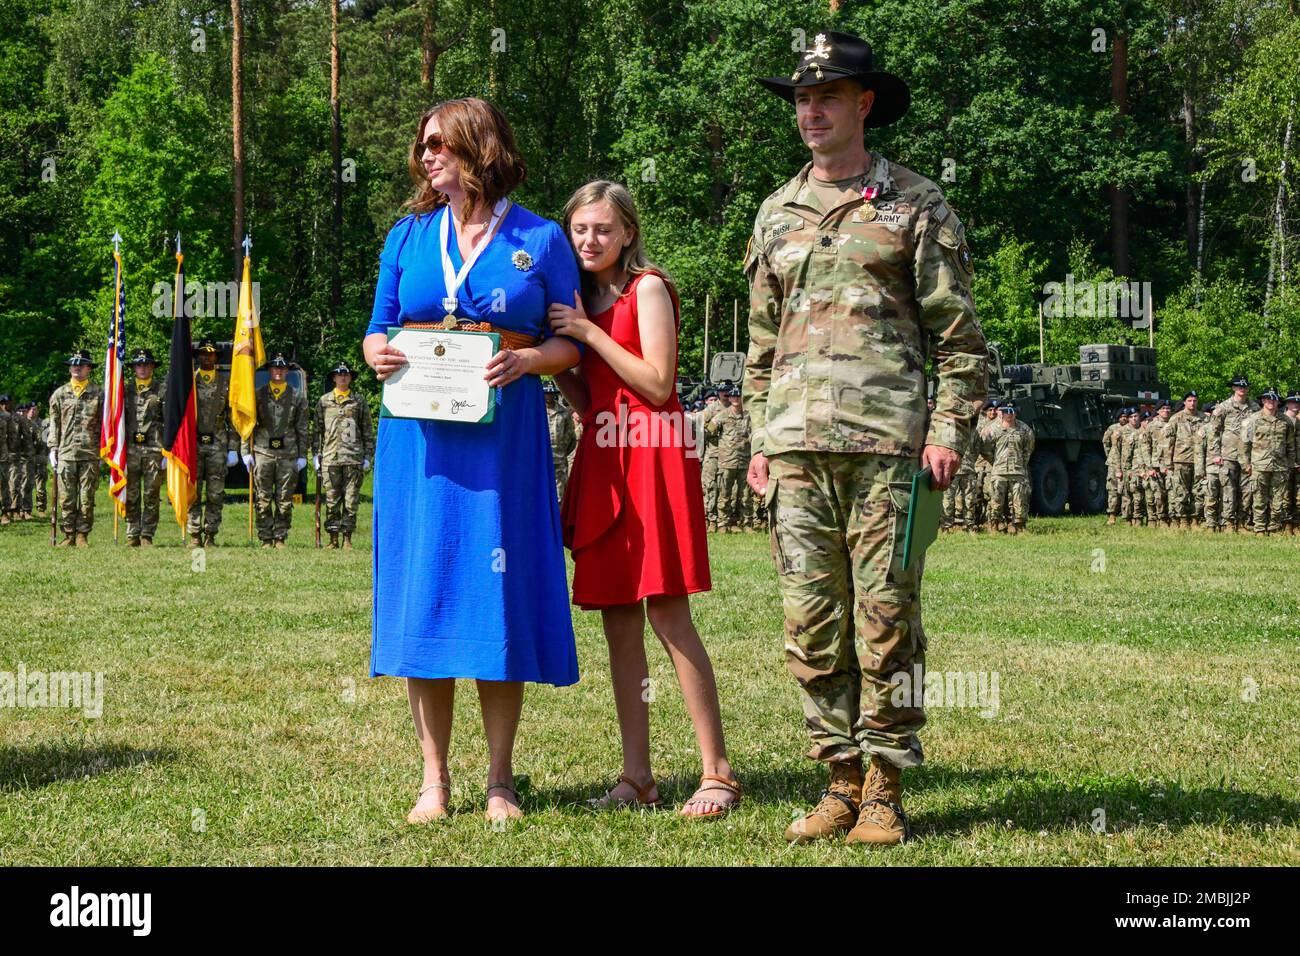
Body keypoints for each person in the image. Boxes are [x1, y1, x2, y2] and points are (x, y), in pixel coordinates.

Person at [744, 32, 986, 846]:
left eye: (829, 97)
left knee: (887, 619)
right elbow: (761, 343)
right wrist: (757, 437)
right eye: (803, 100)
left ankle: (886, 784)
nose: (812, 111)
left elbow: (958, 339)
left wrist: (947, 429)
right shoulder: (777, 212)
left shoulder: (915, 204)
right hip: (795, 450)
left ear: (863, 105)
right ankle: (838, 781)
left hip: (890, 447)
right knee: (810, 621)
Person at [364, 97, 582, 825]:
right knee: (424, 594)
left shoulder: (542, 238)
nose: (427, 157)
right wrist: (378, 353)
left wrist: (529, 361)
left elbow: (570, 345)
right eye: (423, 146)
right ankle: (433, 781)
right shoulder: (408, 236)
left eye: (440, 145)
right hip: (418, 441)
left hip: (504, 441)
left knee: (497, 599)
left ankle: (499, 780)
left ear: (478, 149)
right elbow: (376, 330)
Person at [550, 179, 737, 818]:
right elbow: (592, 399)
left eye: (603, 229)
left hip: (653, 452)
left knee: (668, 614)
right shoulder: (579, 298)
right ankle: (638, 777)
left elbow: (658, 385)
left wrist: (587, 335)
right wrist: (546, 365)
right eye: (579, 230)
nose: (590, 240)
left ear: (628, 232)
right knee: (618, 622)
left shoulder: (646, 288)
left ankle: (717, 773)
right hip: (605, 456)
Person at [240, 352, 308, 548]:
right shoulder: (257, 395)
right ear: (270, 370)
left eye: (282, 368)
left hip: (287, 453)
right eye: (275, 368)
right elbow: (248, 424)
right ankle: (265, 537)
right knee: (262, 497)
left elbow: (302, 428)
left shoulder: (297, 396)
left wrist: (303, 455)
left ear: (287, 371)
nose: (278, 371)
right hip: (262, 452)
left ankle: (280, 536)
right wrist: (245, 451)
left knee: (284, 498)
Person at [312, 361, 373, 549]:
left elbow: (367, 431)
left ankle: (347, 538)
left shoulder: (358, 401)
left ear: (350, 378)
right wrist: (316, 454)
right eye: (339, 374)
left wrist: (368, 457)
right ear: (334, 378)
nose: (343, 377)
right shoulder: (324, 401)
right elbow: (317, 430)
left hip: (353, 458)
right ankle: (333, 538)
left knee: (351, 499)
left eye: (346, 375)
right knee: (331, 500)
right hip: (330, 458)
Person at [49, 350, 104, 547]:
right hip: (66, 452)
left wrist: (104, 449)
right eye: (73, 364)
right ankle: (69, 534)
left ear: (89, 368)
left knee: (87, 497)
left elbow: (105, 424)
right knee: (66, 497)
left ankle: (82, 534)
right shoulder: (60, 394)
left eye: (81, 364)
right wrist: (53, 447)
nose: (77, 367)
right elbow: (54, 424)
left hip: (90, 452)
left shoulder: (98, 393)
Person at [189, 338, 239, 547]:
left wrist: (233, 448)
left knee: (215, 492)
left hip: (217, 444)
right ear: (198, 356)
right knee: (193, 491)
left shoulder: (226, 383)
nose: (206, 357)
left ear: (216, 357)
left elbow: (233, 418)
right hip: (193, 444)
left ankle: (210, 534)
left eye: (210, 353)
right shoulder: (189, 382)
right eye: (202, 353)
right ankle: (193, 534)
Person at [123, 348, 165, 546]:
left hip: (154, 448)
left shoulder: (162, 389)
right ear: (133, 368)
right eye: (138, 364)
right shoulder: (123, 390)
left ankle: (147, 534)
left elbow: (170, 421)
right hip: (130, 449)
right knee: (131, 492)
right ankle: (132, 533)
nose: (142, 368)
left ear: (152, 367)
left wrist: (168, 450)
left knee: (151, 493)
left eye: (146, 364)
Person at [1242, 388, 1294, 535]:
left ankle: (1274, 527)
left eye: (1274, 399)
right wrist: (1246, 464)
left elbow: (1290, 446)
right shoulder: (1253, 420)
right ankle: (1259, 528)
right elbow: (1245, 444)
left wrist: (1290, 465)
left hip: (1280, 466)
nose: (1271, 402)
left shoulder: (1286, 421)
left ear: (1278, 402)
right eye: (1268, 399)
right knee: (1259, 498)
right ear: (1263, 400)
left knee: (1278, 500)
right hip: (1259, 465)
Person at [1209, 376, 1254, 533]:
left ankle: (1242, 522)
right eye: (1238, 386)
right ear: (1233, 388)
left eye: (1245, 386)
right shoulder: (1223, 407)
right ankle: (1228, 523)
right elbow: (1214, 432)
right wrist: (1215, 453)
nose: (1242, 389)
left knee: (1247, 490)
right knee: (1228, 490)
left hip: (1247, 457)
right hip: (1228, 455)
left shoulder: (1254, 407)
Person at [983, 401, 1034, 534]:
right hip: (999, 472)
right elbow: (986, 449)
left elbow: (1028, 449)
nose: (1009, 415)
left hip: (1017, 471)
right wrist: (996, 462)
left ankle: (1019, 527)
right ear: (1002, 412)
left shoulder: (1024, 429)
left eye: (1012, 412)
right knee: (995, 501)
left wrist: (1021, 463)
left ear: (1016, 412)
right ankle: (994, 526)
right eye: (1006, 412)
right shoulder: (992, 429)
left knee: (1020, 501)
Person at [707, 386, 751, 532]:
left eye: (738, 396)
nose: (736, 399)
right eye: (733, 396)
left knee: (745, 495)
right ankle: (722, 524)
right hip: (727, 460)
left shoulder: (748, 415)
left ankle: (746, 523)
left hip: (744, 459)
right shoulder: (722, 415)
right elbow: (709, 430)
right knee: (724, 493)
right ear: (730, 398)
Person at [1166, 391, 1203, 528]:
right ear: (1184, 402)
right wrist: (1168, 462)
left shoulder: (1203, 418)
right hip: (1180, 459)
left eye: (1194, 400)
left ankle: (1195, 519)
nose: (1192, 403)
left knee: (1198, 491)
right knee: (1181, 491)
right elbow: (1169, 442)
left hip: (1199, 460)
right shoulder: (1176, 418)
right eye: (1189, 401)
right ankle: (1183, 519)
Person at [543, 381, 576, 500]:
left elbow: (571, 437)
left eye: (551, 393)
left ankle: (559, 518)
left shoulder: (563, 413)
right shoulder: (537, 412)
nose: (549, 396)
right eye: (546, 393)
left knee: (559, 496)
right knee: (542, 494)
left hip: (559, 460)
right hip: (541, 460)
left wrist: (561, 451)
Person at [1285, 392, 1300, 534]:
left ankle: (1296, 524)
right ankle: (1286, 525)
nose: (1296, 405)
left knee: (1297, 495)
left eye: (1298, 402)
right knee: (1285, 495)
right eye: (1293, 402)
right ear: (1287, 403)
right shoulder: (1282, 420)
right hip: (1284, 464)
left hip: (1298, 464)